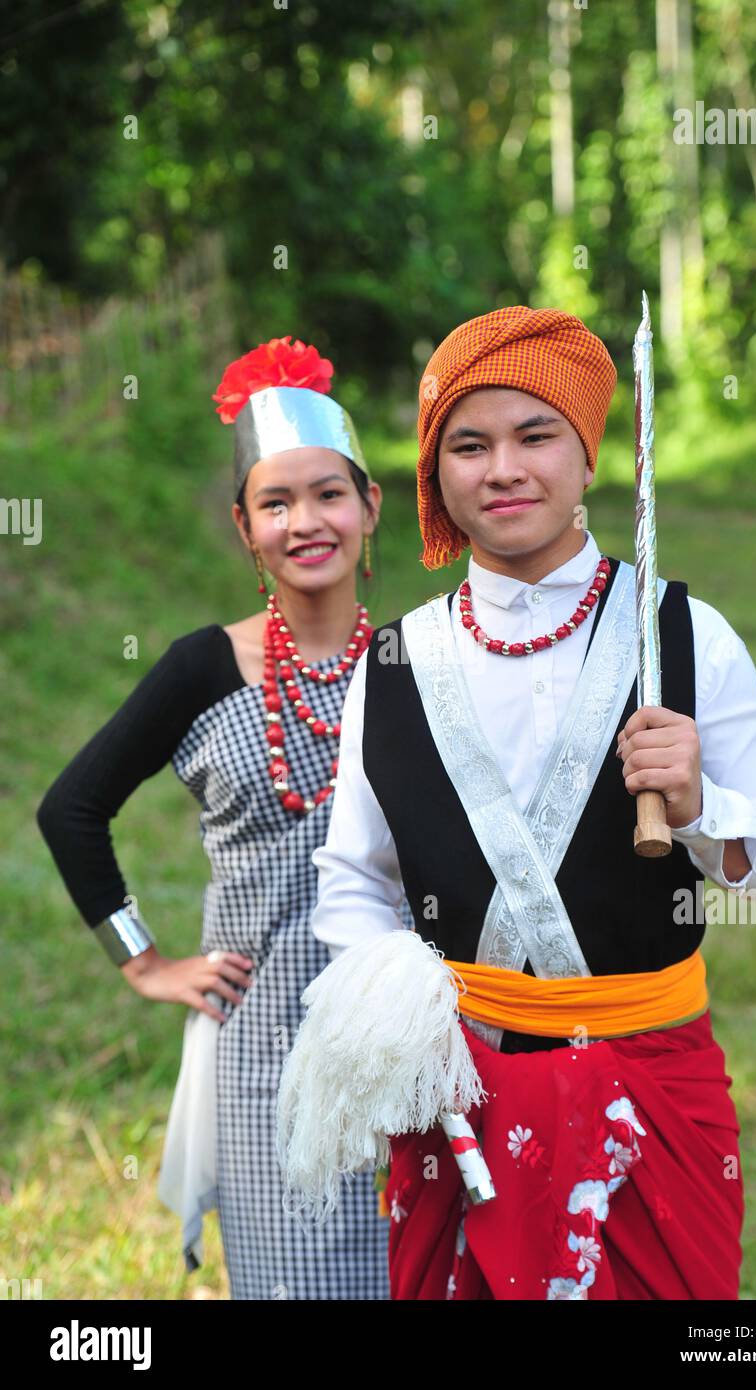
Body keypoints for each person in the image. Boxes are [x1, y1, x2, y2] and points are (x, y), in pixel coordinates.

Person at [276, 306, 756, 1301]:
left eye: (536, 436)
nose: (502, 469)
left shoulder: (686, 634)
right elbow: (354, 882)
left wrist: (699, 803)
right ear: (436, 473)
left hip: (652, 1082)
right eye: (469, 444)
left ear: (588, 454)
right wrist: (403, 1029)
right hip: (458, 1096)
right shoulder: (390, 664)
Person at [36, 333, 412, 1299]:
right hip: (261, 1044)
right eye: (274, 503)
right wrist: (146, 962)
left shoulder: (422, 661)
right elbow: (71, 809)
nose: (305, 522)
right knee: (291, 1282)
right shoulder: (201, 669)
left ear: (371, 506)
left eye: (328, 494)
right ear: (245, 529)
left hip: (404, 1033)